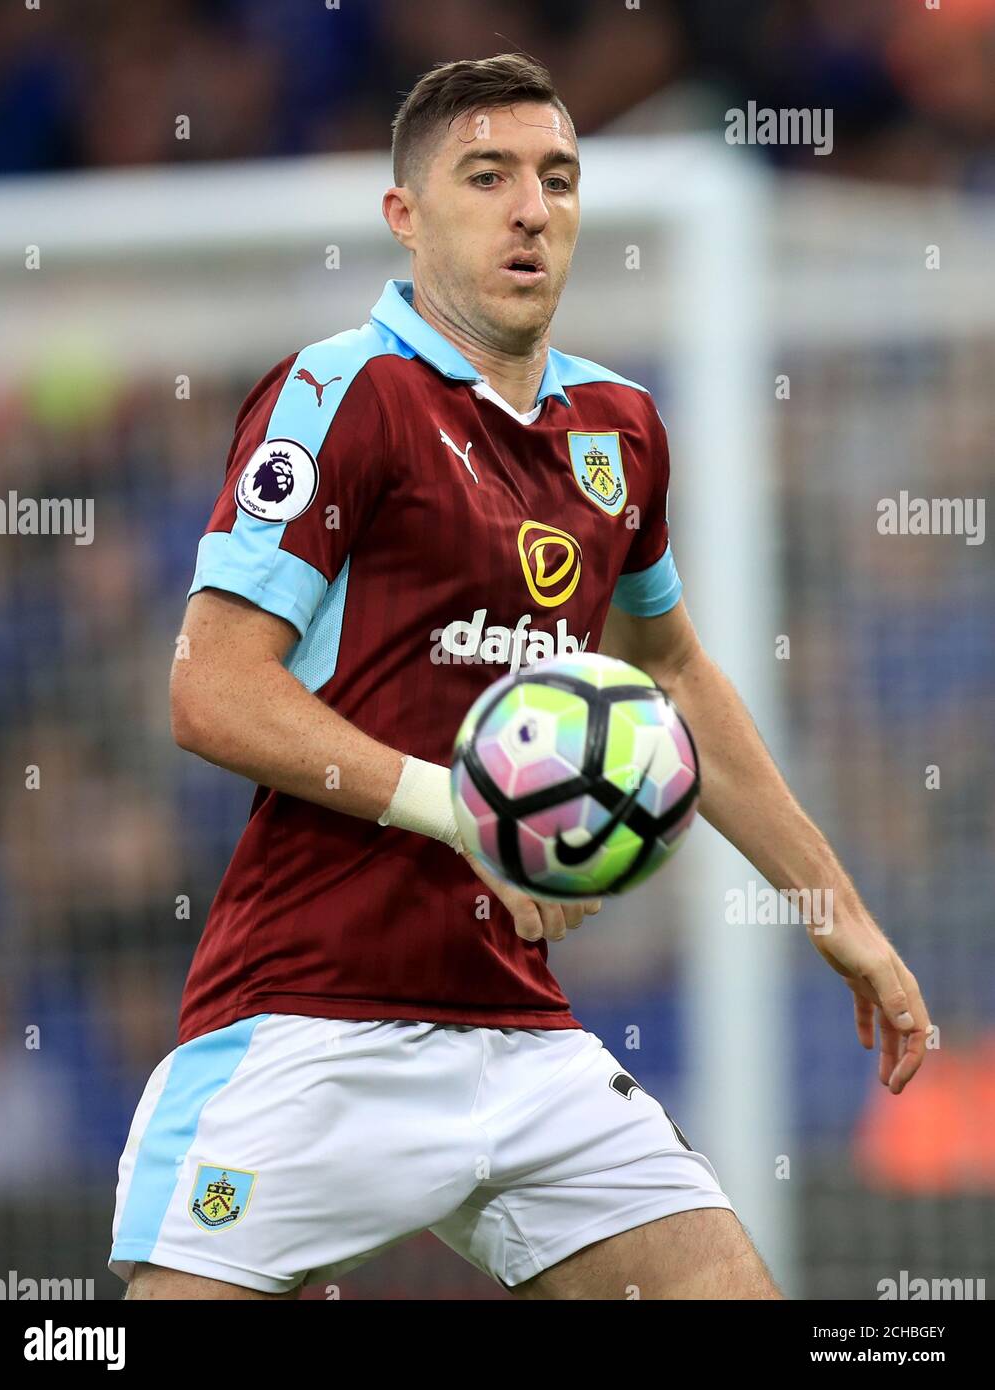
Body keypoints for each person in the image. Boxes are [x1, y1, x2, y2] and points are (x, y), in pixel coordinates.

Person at [110, 52, 930, 1301]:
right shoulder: (345, 394)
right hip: (315, 1017)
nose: (529, 209)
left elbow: (673, 673)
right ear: (405, 214)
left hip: (522, 1030)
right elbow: (211, 690)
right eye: (485, 176)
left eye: (556, 178)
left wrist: (839, 914)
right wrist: (467, 810)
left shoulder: (622, 428)